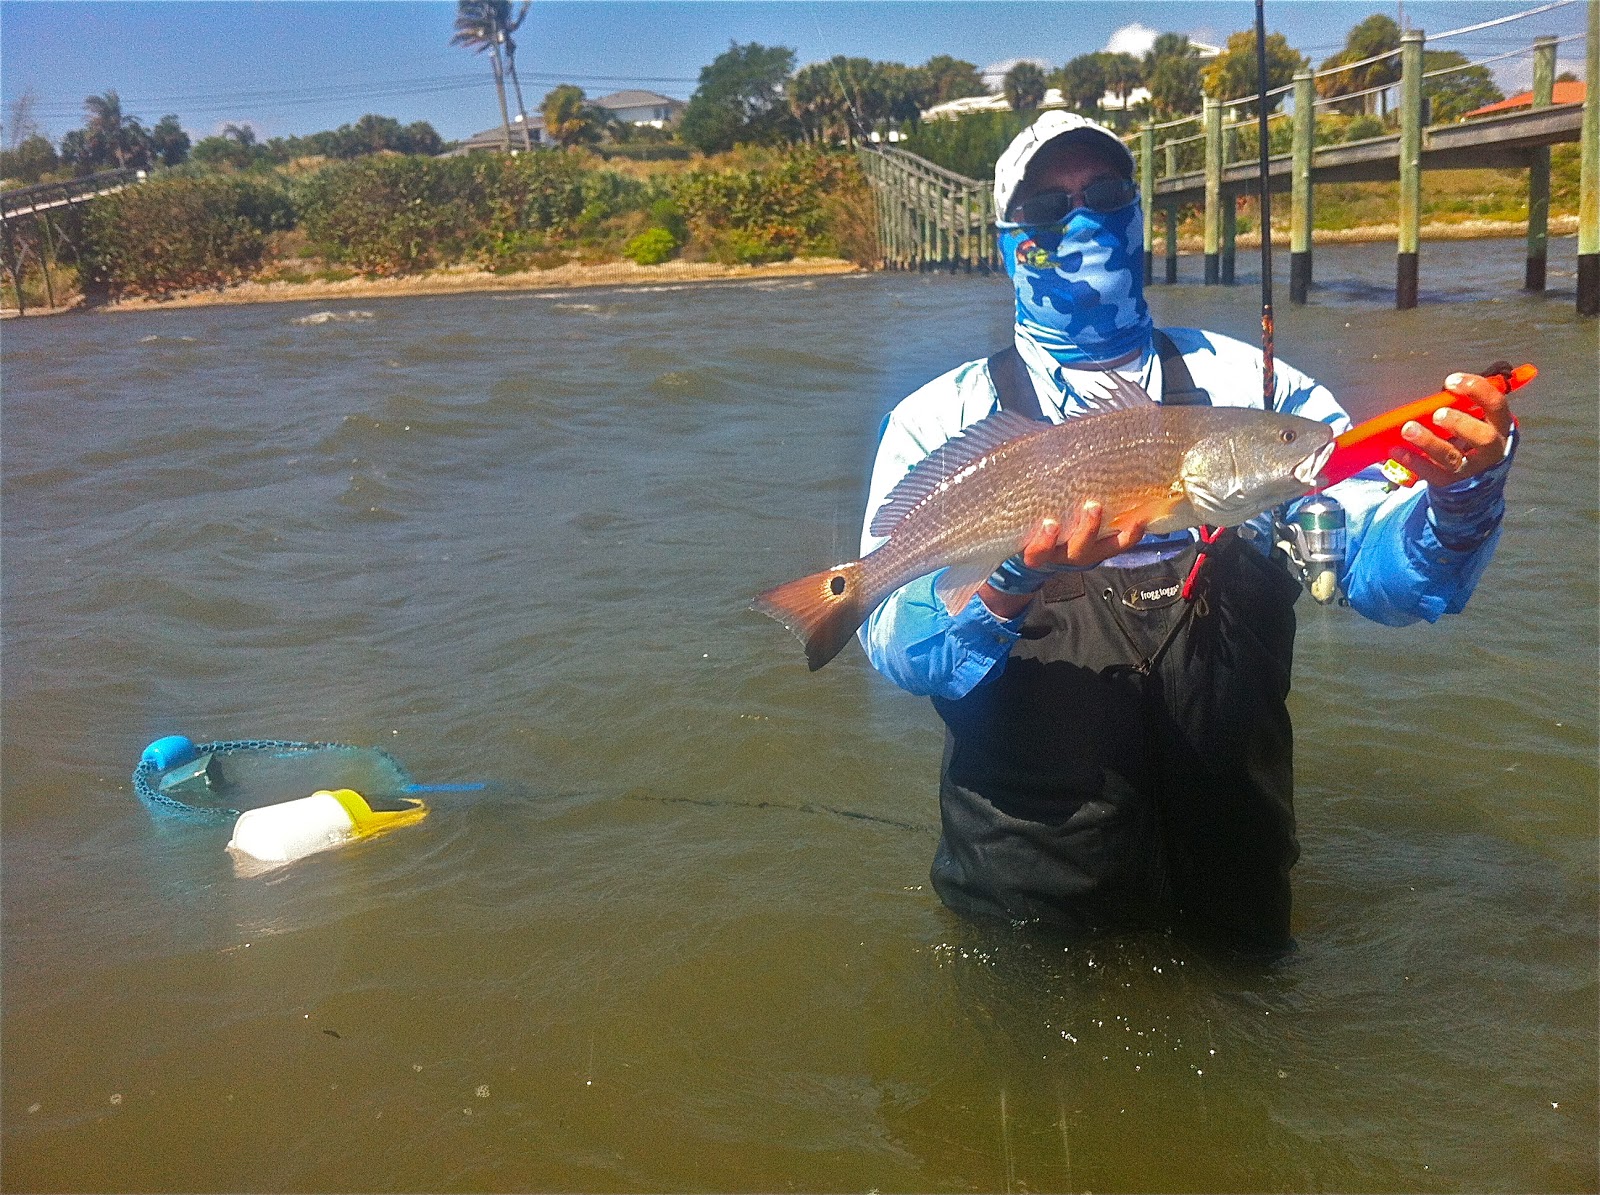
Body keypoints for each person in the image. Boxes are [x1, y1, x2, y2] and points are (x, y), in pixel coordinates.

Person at [858, 111, 1517, 953]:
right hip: (1027, 894)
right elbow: (896, 645)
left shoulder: (1257, 388)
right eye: (1049, 207)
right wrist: (1007, 585)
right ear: (1007, 236)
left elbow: (1382, 570)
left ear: (1138, 209)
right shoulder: (937, 419)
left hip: (1232, 881)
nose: (1084, 217)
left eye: (1105, 193)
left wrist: (1461, 496)